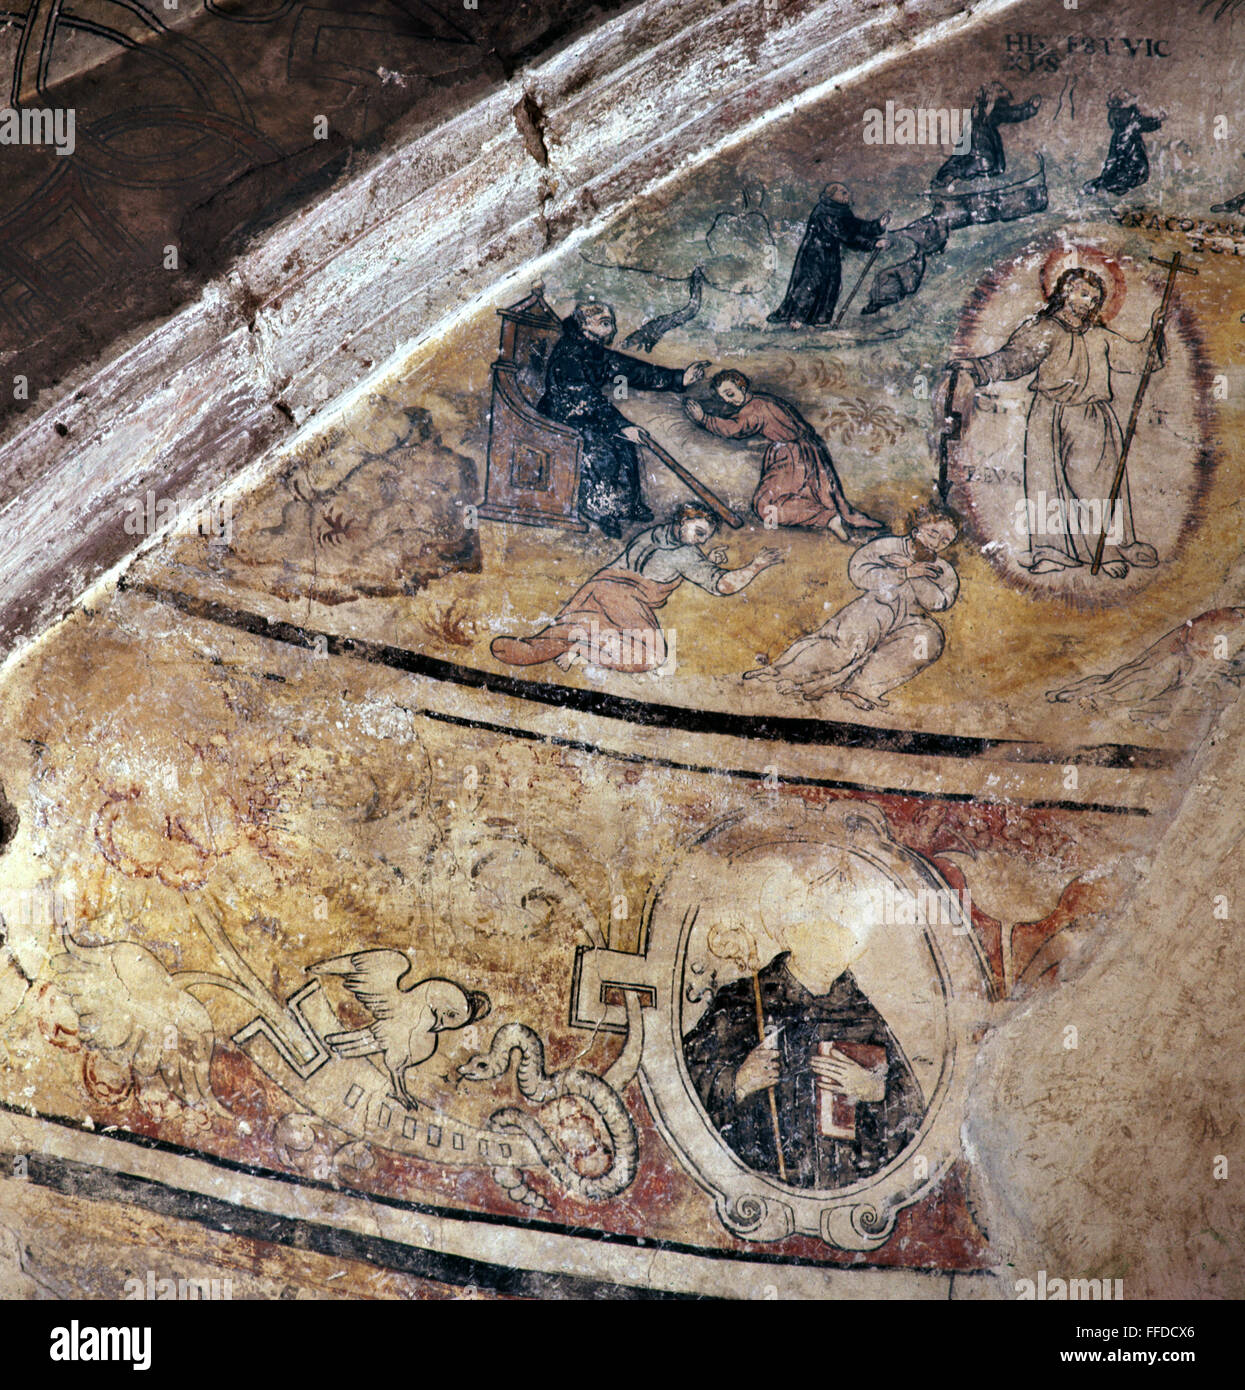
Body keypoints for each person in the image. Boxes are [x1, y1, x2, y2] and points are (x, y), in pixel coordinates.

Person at [683, 895, 924, 1189]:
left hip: (842, 1189)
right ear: (792, 934)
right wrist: (738, 1082)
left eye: (847, 938)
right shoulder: (744, 1001)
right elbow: (682, 1077)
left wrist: (875, 1091)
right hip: (758, 1186)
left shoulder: (861, 1014)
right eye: (826, 934)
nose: (838, 948)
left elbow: (912, 1111)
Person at [950, 266, 1162, 578]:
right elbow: (1012, 360)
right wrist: (975, 368)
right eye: (1082, 293)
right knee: (1047, 486)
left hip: (1092, 417)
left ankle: (1107, 549)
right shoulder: (1044, 329)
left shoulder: (1100, 337)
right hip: (1048, 414)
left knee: (1097, 486)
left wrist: (1155, 332)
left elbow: (1140, 359)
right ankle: (1052, 552)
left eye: (1094, 299)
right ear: (1064, 291)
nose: (1087, 303)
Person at [490, 502, 783, 674]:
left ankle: (535, 647)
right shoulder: (686, 555)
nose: (701, 540)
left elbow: (665, 561)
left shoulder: (655, 533)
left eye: (705, 537)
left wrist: (703, 559)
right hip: (627, 601)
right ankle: (580, 648)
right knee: (652, 657)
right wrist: (756, 565)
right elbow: (724, 585)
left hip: (598, 585)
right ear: (682, 522)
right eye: (699, 532)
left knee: (567, 628)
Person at [744, 505, 959, 710]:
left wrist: (916, 575)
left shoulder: (943, 570)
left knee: (928, 642)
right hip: (879, 605)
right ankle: (784, 672)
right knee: (845, 644)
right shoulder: (887, 546)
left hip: (914, 619)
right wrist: (902, 574)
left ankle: (861, 688)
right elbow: (859, 572)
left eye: (945, 540)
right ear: (916, 530)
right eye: (933, 533)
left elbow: (941, 602)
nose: (937, 543)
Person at [538, 301, 709, 537]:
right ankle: (601, 511)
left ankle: (627, 505)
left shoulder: (592, 348)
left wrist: (680, 379)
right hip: (563, 417)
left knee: (624, 445)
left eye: (612, 323)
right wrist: (622, 425)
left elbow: (630, 370)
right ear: (585, 325)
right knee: (601, 453)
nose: (613, 330)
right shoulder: (569, 355)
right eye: (605, 324)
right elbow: (585, 397)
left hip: (588, 413)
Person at [683, 370, 882, 539]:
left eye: (730, 393)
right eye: (724, 397)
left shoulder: (756, 408)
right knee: (799, 495)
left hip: (793, 457)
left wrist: (704, 419)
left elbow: (735, 428)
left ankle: (828, 519)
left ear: (742, 388)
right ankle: (829, 518)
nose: (728, 400)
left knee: (766, 506)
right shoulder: (761, 401)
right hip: (805, 453)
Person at [766, 184, 889, 326]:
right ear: (832, 195)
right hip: (814, 257)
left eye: (847, 192)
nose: (847, 195)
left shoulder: (841, 211)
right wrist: (874, 243)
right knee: (809, 287)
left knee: (831, 287)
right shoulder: (824, 213)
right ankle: (796, 320)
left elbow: (855, 226)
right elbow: (846, 235)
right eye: (843, 193)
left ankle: (820, 323)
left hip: (830, 256)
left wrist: (878, 225)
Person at [932, 82, 1041, 186]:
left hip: (984, 161)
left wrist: (1030, 107)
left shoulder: (979, 116)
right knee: (960, 168)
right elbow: (1011, 114)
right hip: (986, 162)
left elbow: (1011, 113)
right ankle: (944, 178)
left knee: (960, 168)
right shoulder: (983, 115)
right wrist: (1030, 108)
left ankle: (943, 179)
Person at [1083, 91, 1164, 196]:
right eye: (1115, 113)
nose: (1117, 117)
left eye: (1120, 112)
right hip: (1130, 170)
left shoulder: (1129, 127)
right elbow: (1112, 157)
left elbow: (1149, 124)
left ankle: (1100, 186)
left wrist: (1158, 120)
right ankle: (1100, 185)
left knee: (1113, 180)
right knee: (1111, 179)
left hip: (1136, 170)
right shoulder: (1120, 132)